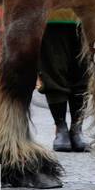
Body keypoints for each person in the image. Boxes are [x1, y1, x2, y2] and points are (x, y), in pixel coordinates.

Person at [38, 10, 90, 153]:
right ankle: (61, 128)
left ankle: (77, 128)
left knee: (83, 74)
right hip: (52, 17)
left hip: (86, 16)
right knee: (53, 72)